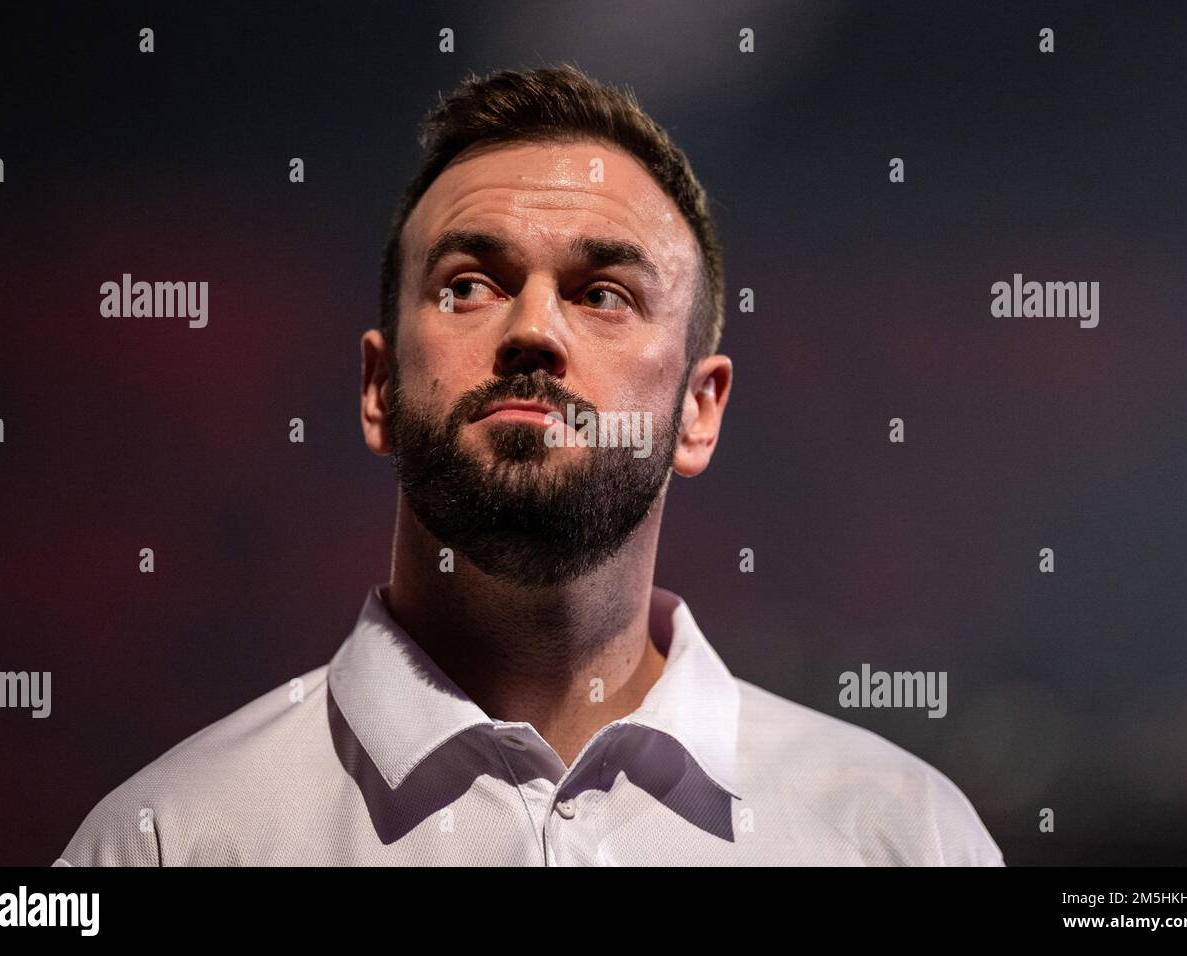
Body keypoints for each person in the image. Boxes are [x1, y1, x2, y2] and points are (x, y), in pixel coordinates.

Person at [55, 63, 1003, 866]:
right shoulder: (164, 842)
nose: (533, 331)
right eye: (469, 285)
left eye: (603, 293)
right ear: (379, 388)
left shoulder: (906, 835)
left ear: (698, 412)